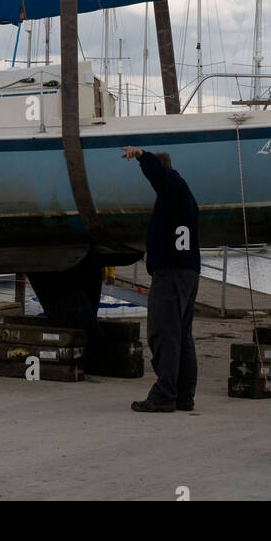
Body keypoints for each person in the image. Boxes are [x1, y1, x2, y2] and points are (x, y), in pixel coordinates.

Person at [122, 145, 200, 413]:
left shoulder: (172, 188)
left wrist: (142, 156)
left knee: (163, 333)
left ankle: (165, 393)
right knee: (181, 336)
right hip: (187, 272)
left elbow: (159, 176)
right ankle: (183, 395)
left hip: (171, 273)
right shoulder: (183, 194)